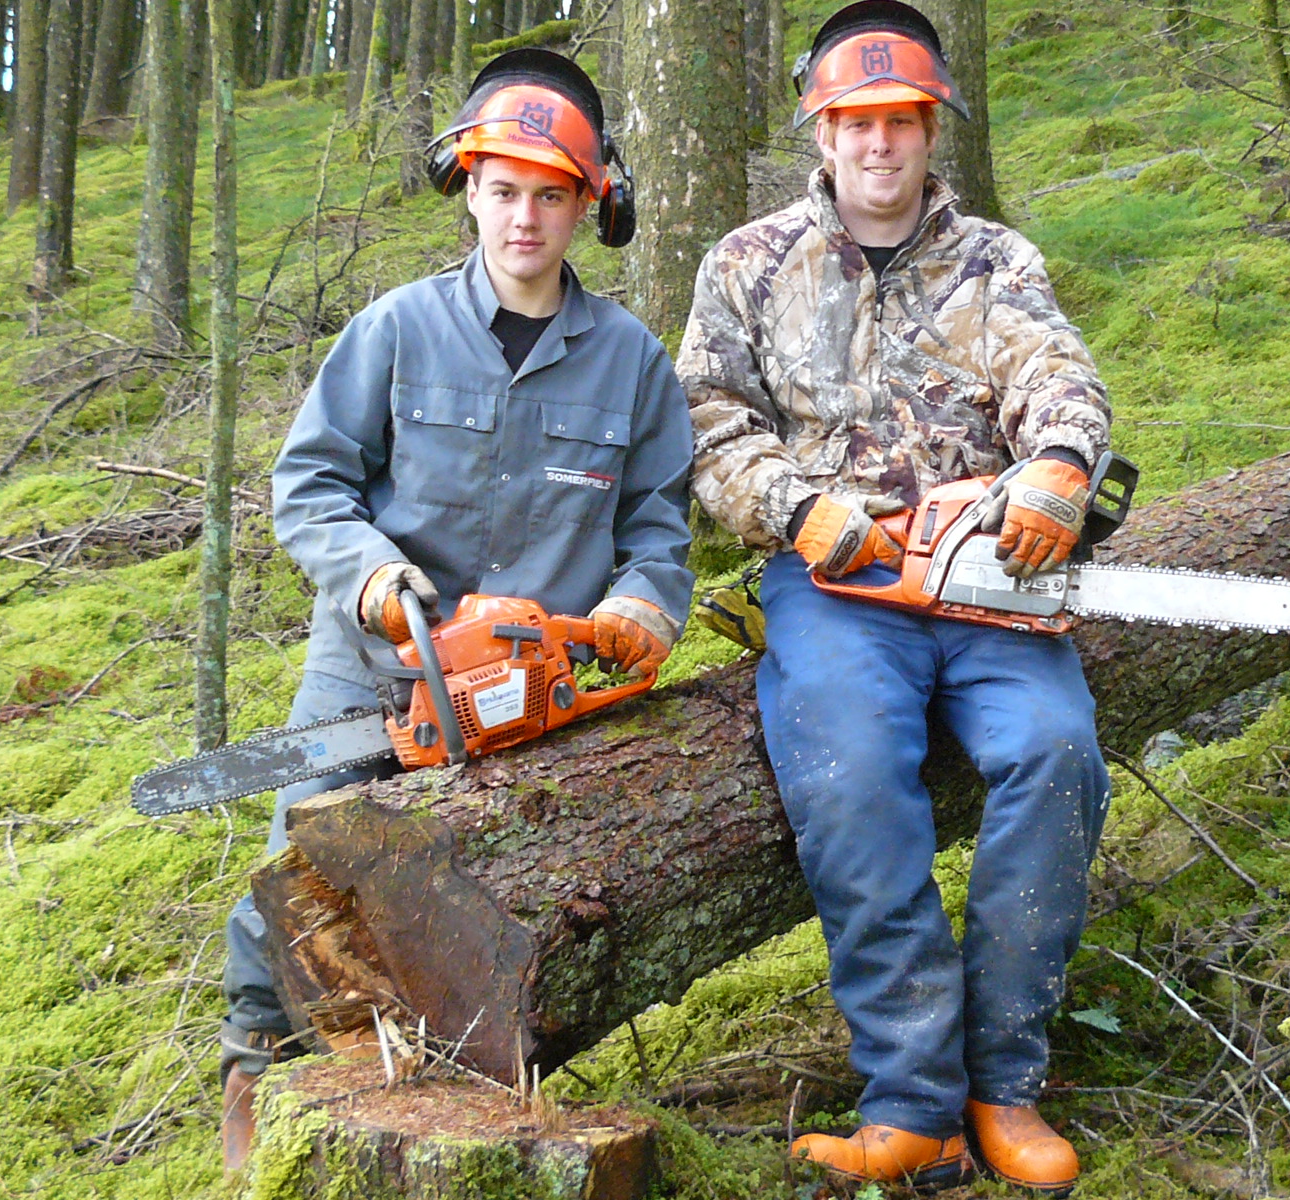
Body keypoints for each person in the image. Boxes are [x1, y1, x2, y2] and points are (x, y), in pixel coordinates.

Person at [218, 49, 694, 1173]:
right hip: (379, 661)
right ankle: (252, 1047)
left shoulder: (630, 362)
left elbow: (660, 527)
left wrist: (638, 606)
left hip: (526, 682)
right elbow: (312, 481)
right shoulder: (395, 328)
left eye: (548, 195)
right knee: (307, 841)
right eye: (501, 190)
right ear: (467, 188)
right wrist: (370, 573)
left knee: (489, 889)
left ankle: (456, 1069)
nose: (522, 218)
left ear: (588, 203)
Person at [676, 3, 1110, 1193]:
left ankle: (1002, 1081)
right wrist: (790, 507)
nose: (878, 146)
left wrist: (1059, 467)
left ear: (930, 131)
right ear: (822, 132)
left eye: (899, 122)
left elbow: (1055, 371)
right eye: (855, 122)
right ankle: (911, 1101)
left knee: (1056, 756)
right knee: (854, 776)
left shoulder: (994, 263)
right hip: (834, 579)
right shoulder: (749, 264)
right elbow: (707, 424)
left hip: (982, 576)